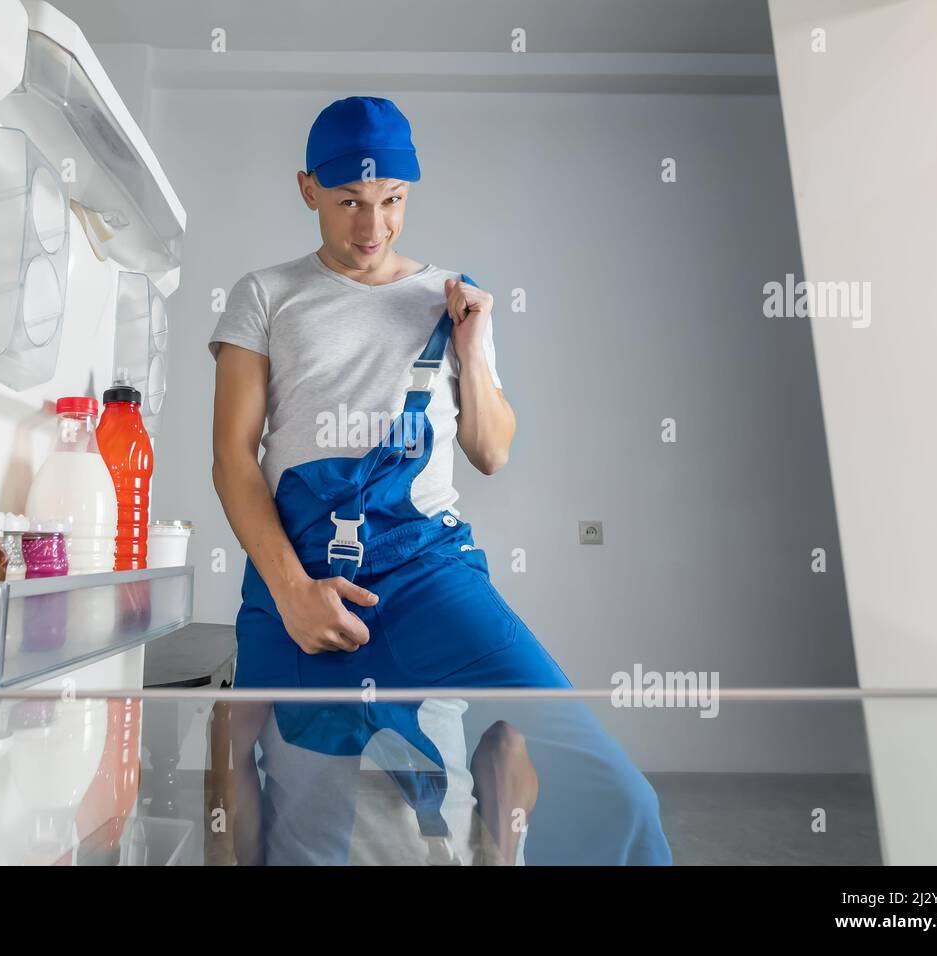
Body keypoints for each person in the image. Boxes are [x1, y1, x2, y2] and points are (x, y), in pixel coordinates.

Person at [209, 96, 671, 865]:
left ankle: (502, 786)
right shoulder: (265, 295)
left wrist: (475, 345)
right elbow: (233, 458)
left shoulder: (451, 297)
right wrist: (291, 594)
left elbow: (491, 452)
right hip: (299, 577)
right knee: (286, 818)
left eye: (391, 200)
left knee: (616, 790)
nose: (372, 227)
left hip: (428, 571)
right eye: (350, 201)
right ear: (307, 189)